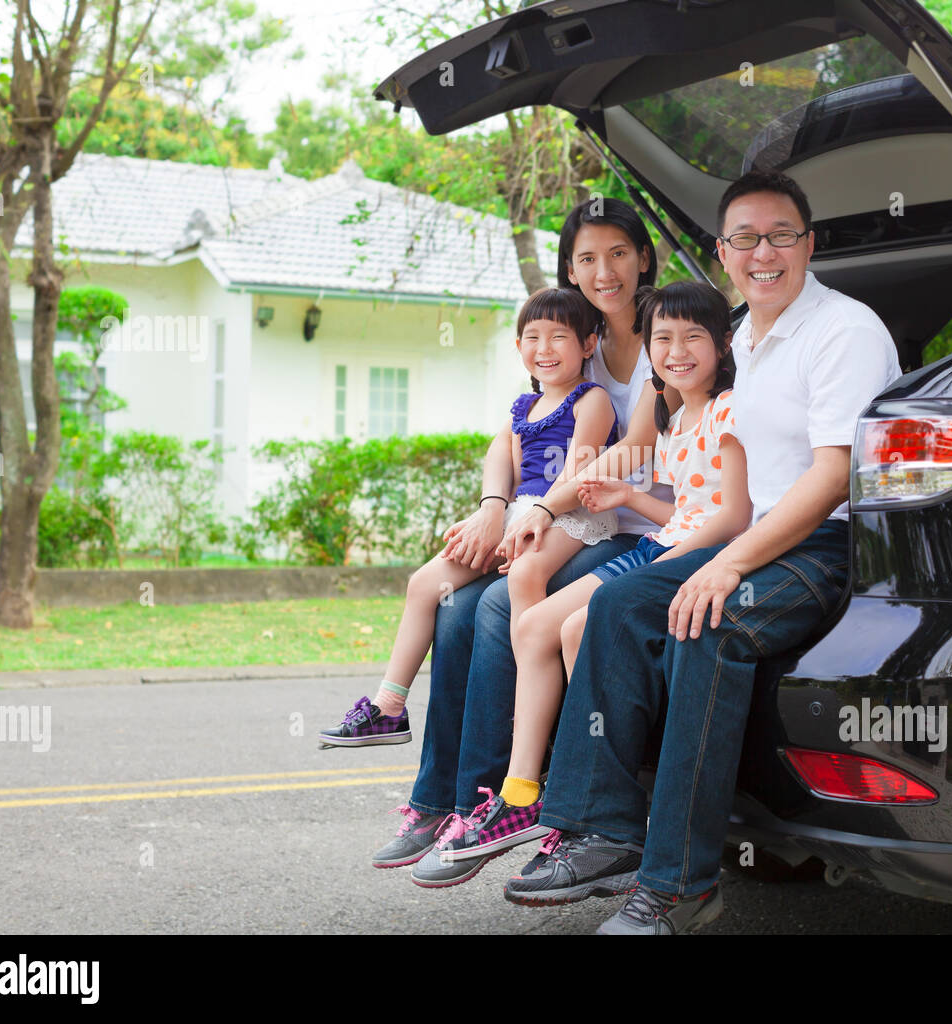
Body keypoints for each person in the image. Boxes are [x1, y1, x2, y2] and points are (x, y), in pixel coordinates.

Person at [503, 170, 903, 934]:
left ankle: (681, 888)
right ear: (723, 252)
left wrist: (727, 561)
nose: (763, 252)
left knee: (705, 623)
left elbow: (829, 476)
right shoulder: (745, 339)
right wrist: (701, 541)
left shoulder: (843, 331)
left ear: (808, 244)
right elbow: (734, 476)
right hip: (757, 535)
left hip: (828, 544)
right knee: (618, 604)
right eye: (745, 238)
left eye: (780, 235)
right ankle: (602, 830)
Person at [368, 198, 681, 888]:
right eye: (588, 258)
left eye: (619, 253)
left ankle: (501, 796)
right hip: (559, 520)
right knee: (450, 600)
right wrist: (495, 507)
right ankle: (440, 802)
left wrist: (542, 504)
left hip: (632, 525)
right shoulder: (571, 335)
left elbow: (635, 449)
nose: (605, 271)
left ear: (644, 257)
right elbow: (514, 434)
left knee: (495, 610)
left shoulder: (668, 332)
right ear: (570, 268)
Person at [431, 281, 751, 872]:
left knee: (577, 628)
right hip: (662, 542)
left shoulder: (729, 410)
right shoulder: (672, 417)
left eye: (692, 337)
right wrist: (627, 495)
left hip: (684, 555)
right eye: (662, 339)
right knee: (532, 631)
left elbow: (733, 516)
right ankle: (522, 796)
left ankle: (599, 797)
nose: (675, 351)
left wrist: (668, 544)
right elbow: (684, 507)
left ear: (725, 343)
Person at [316, 286, 619, 748]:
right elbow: (511, 473)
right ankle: (389, 707)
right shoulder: (523, 407)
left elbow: (578, 475)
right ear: (518, 347)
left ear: (588, 344)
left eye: (559, 337)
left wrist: (530, 518)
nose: (544, 349)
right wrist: (492, 517)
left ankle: (529, 704)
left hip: (571, 513)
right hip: (521, 513)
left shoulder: (590, 400)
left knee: (526, 574)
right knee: (423, 584)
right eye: (533, 337)